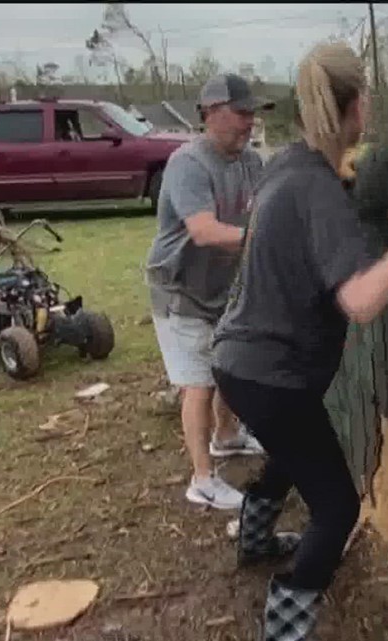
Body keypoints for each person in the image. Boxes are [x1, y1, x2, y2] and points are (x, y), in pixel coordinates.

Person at [210, 42, 388, 640]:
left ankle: (255, 545)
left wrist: (366, 180)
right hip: (272, 375)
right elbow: (360, 302)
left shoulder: (290, 165)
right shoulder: (320, 195)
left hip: (241, 362)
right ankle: (286, 614)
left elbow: (321, 195)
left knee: (292, 450)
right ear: (357, 104)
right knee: (336, 508)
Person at [144, 73, 275, 511]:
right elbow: (202, 231)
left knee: (228, 365)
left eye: (252, 114)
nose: (249, 122)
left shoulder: (250, 163)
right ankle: (202, 479)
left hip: (221, 284)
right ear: (211, 112)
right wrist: (266, 241)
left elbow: (265, 211)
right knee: (197, 383)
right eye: (241, 113)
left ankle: (226, 436)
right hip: (179, 286)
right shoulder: (188, 164)